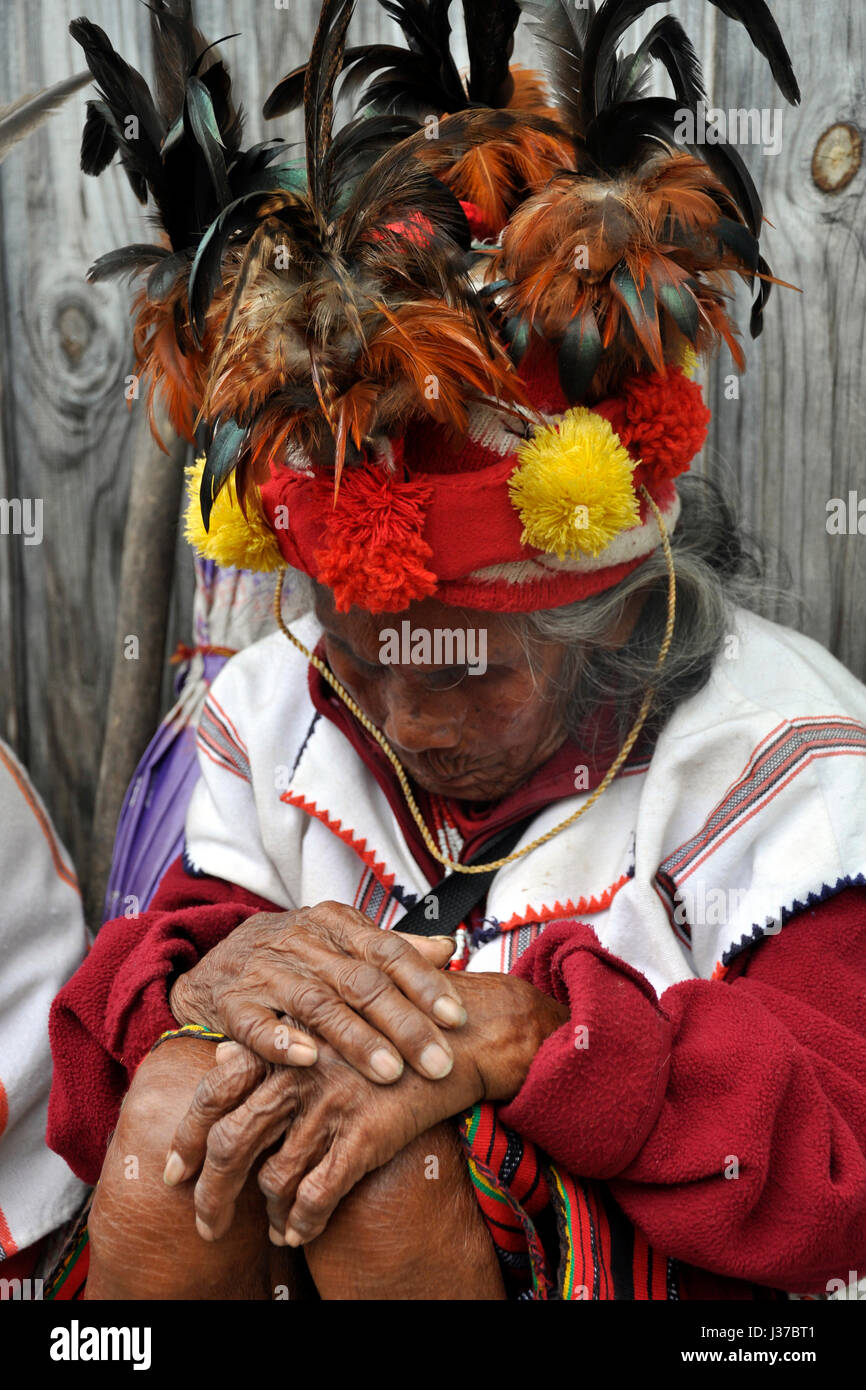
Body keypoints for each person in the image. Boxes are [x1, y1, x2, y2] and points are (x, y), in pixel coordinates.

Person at [47, 0, 866, 1300]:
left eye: (473, 658)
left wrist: (551, 1033)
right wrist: (207, 977)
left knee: (394, 1174)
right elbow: (93, 1099)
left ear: (605, 631)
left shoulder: (774, 754)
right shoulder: (276, 700)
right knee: (170, 1128)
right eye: (367, 647)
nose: (409, 710)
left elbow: (840, 1174)